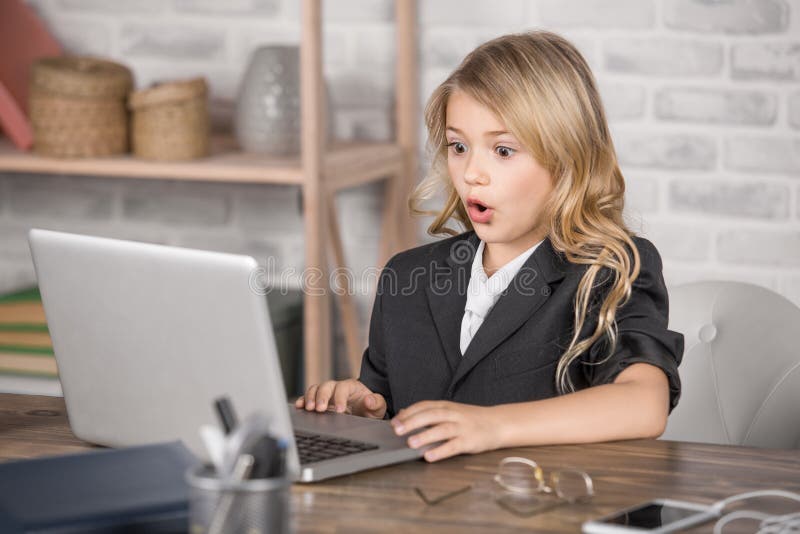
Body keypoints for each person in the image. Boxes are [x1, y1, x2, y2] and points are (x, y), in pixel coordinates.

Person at [295, 30, 684, 463]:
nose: (471, 174)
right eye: (459, 146)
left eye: (502, 150)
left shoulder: (612, 269)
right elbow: (386, 404)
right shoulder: (406, 276)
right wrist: (363, 408)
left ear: (566, 157)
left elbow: (643, 406)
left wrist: (491, 425)